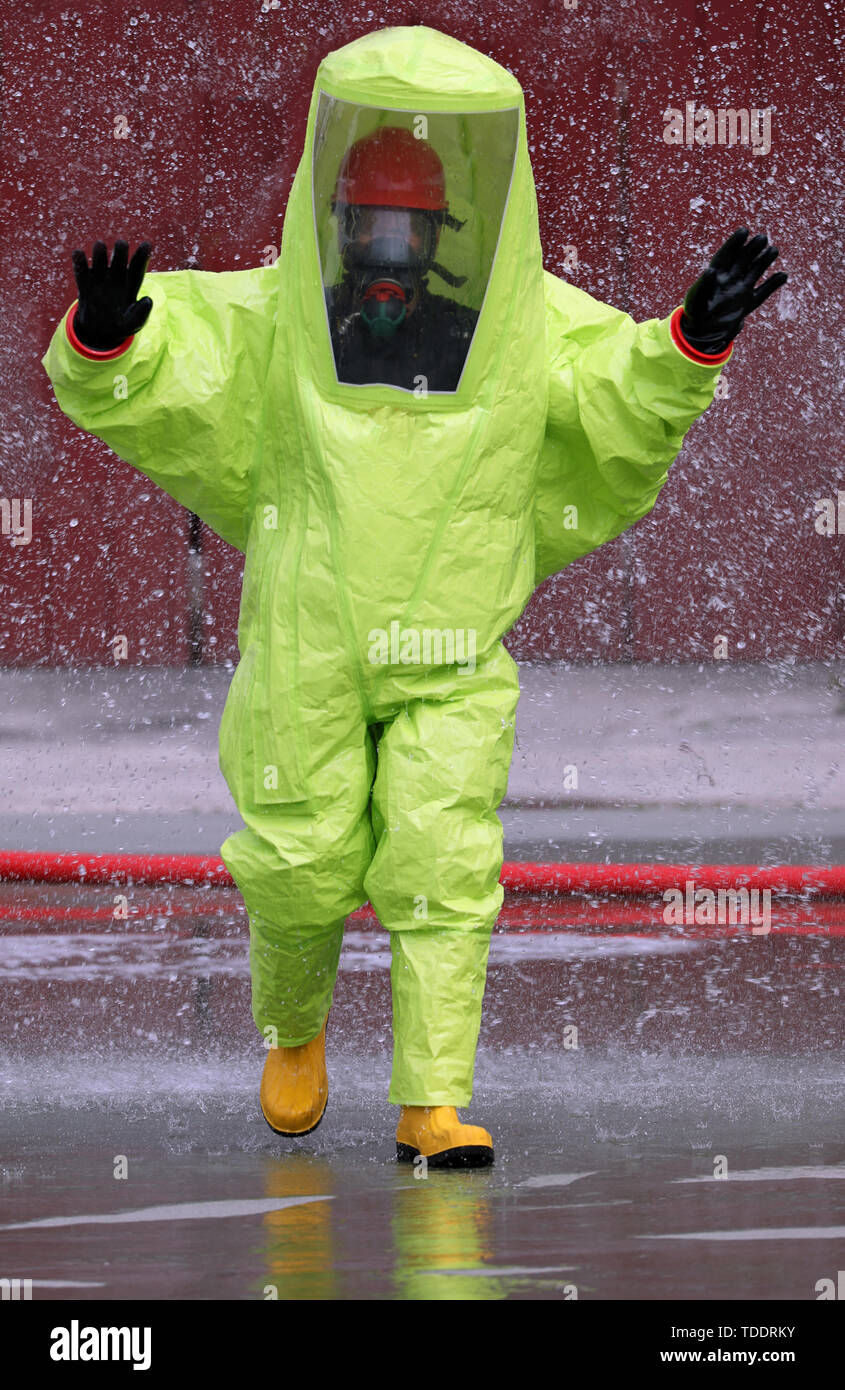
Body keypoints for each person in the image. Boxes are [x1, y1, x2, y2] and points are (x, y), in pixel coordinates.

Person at [42, 25, 786, 1169]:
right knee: (300, 858)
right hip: (309, 639)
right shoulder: (276, 321)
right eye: (369, 225)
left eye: (408, 229)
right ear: (336, 222)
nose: (386, 252)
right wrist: (105, 342)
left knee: (442, 864)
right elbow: (162, 374)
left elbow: (612, 392)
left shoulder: (517, 333)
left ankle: (430, 1103)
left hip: (455, 647)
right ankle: (294, 1034)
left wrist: (686, 346)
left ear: (446, 234)